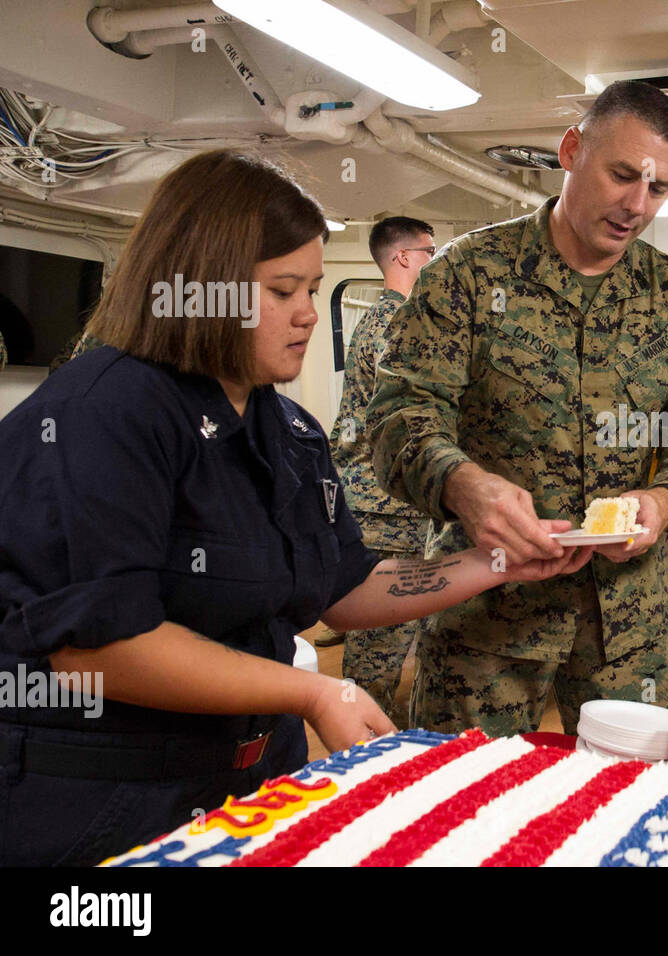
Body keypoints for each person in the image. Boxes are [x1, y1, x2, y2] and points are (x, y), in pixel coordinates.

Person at [0, 149, 591, 867]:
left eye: (313, 288)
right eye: (283, 290)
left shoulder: (288, 431)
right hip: (111, 800)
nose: (310, 315)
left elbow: (344, 589)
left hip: (251, 780)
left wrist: (502, 558)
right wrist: (314, 694)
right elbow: (102, 647)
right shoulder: (105, 413)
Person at [367, 80, 668, 736]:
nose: (636, 205)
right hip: (486, 622)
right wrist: (462, 484)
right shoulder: (467, 276)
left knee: (634, 812)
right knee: (468, 811)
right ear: (572, 150)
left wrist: (665, 503)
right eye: (623, 175)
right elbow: (399, 418)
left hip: (627, 630)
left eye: (658, 188)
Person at [327, 216, 438, 724]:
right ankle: (361, 758)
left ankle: (387, 744)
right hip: (386, 510)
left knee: (389, 641)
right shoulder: (399, 323)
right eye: (429, 252)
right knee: (378, 650)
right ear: (402, 257)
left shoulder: (387, 318)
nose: (435, 261)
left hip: (384, 505)